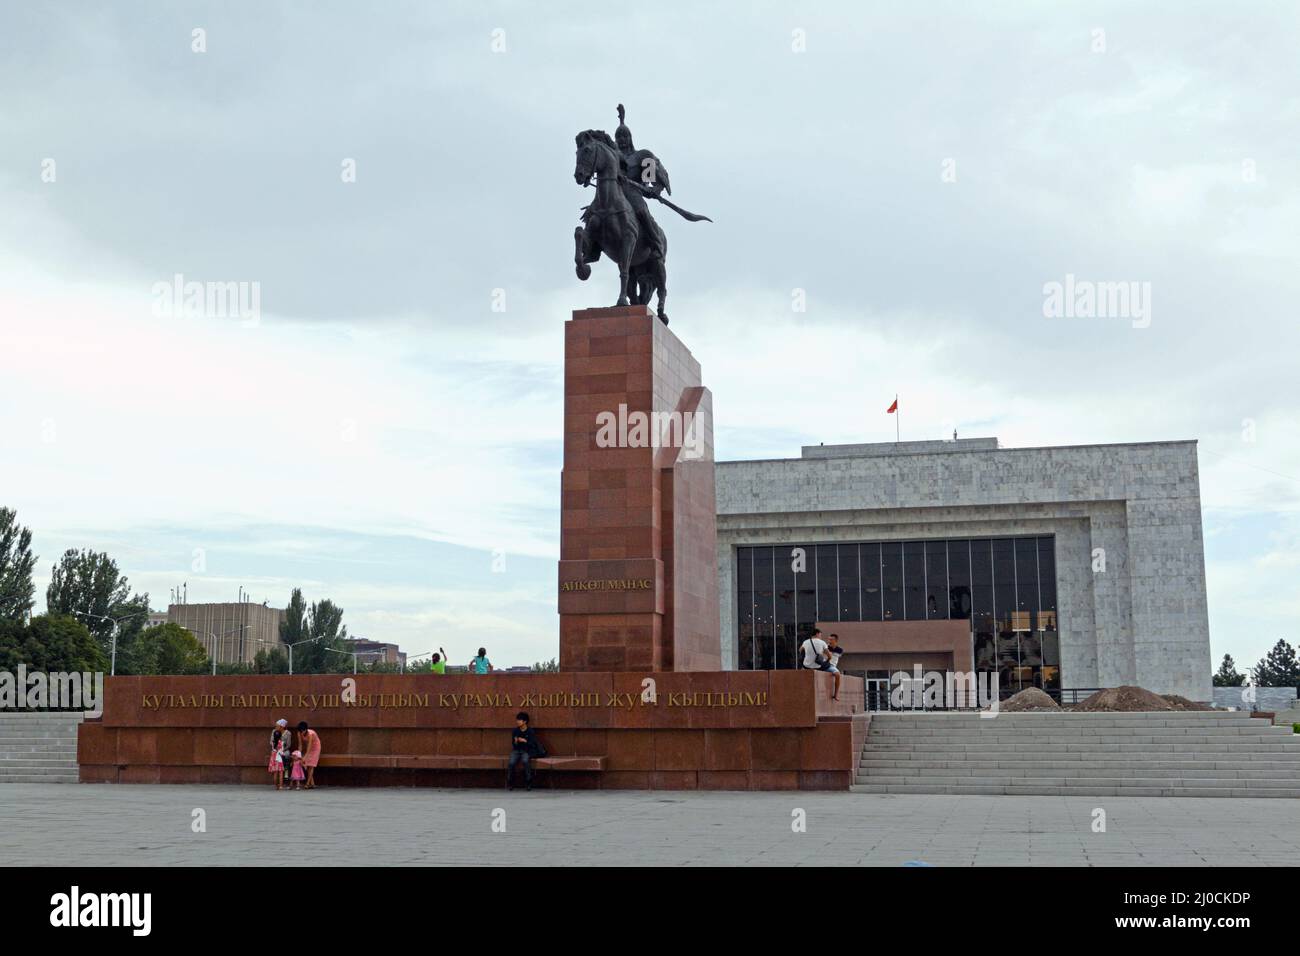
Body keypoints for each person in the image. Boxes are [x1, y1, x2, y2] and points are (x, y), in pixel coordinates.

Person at [800, 628, 841, 700]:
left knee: (801, 671)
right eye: (820, 635)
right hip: (819, 666)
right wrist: (826, 661)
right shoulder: (822, 642)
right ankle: (836, 695)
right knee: (837, 674)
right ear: (817, 634)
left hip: (807, 666)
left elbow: (800, 650)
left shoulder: (805, 642)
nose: (821, 636)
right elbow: (830, 656)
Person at [505, 711, 539, 791]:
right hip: (516, 750)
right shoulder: (515, 731)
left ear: (525, 721)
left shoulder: (530, 731)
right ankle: (510, 782)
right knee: (511, 763)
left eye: (519, 720)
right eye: (517, 720)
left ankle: (528, 782)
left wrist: (525, 741)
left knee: (525, 761)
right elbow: (513, 744)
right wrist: (516, 742)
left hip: (526, 751)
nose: (517, 721)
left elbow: (532, 744)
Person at [297, 721, 321, 789]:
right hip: (309, 747)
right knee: (307, 764)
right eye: (300, 731)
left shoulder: (311, 733)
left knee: (311, 765)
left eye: (303, 731)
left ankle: (307, 783)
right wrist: (299, 755)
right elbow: (300, 745)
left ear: (306, 729)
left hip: (316, 747)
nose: (301, 732)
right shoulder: (299, 732)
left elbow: (309, 747)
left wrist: (305, 756)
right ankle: (312, 784)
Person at [268, 718, 290, 790]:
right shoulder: (274, 731)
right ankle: (280, 784)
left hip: (282, 751)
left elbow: (288, 745)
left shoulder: (288, 733)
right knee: (279, 771)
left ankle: (286, 778)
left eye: (277, 726)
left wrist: (281, 750)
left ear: (282, 726)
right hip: (278, 752)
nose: (275, 727)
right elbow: (271, 741)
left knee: (287, 757)